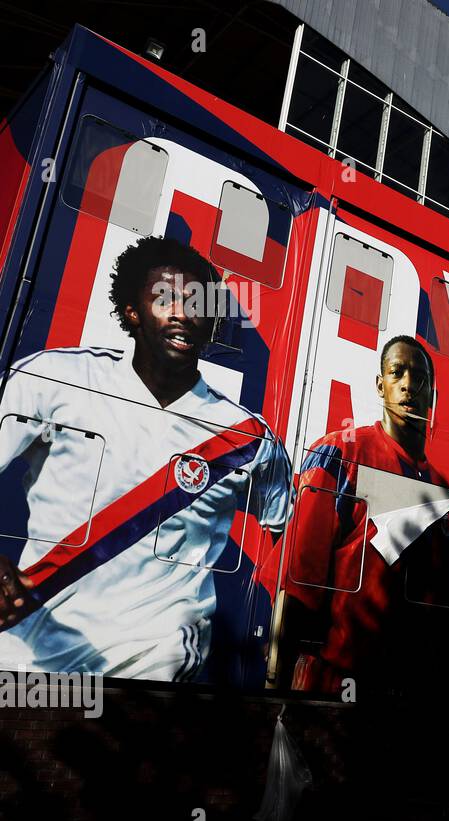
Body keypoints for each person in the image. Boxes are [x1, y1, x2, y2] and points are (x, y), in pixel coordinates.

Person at [0, 236, 290, 681]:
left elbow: (287, 536)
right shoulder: (53, 379)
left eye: (197, 302)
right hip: (31, 656)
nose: (182, 312)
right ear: (131, 312)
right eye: (165, 299)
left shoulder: (249, 438)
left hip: (156, 668)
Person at [272, 335, 449, 694]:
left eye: (420, 378)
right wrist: (275, 686)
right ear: (381, 385)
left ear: (433, 395)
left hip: (403, 691)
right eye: (397, 373)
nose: (409, 384)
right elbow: (298, 583)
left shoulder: (441, 491)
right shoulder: (340, 453)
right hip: (335, 684)